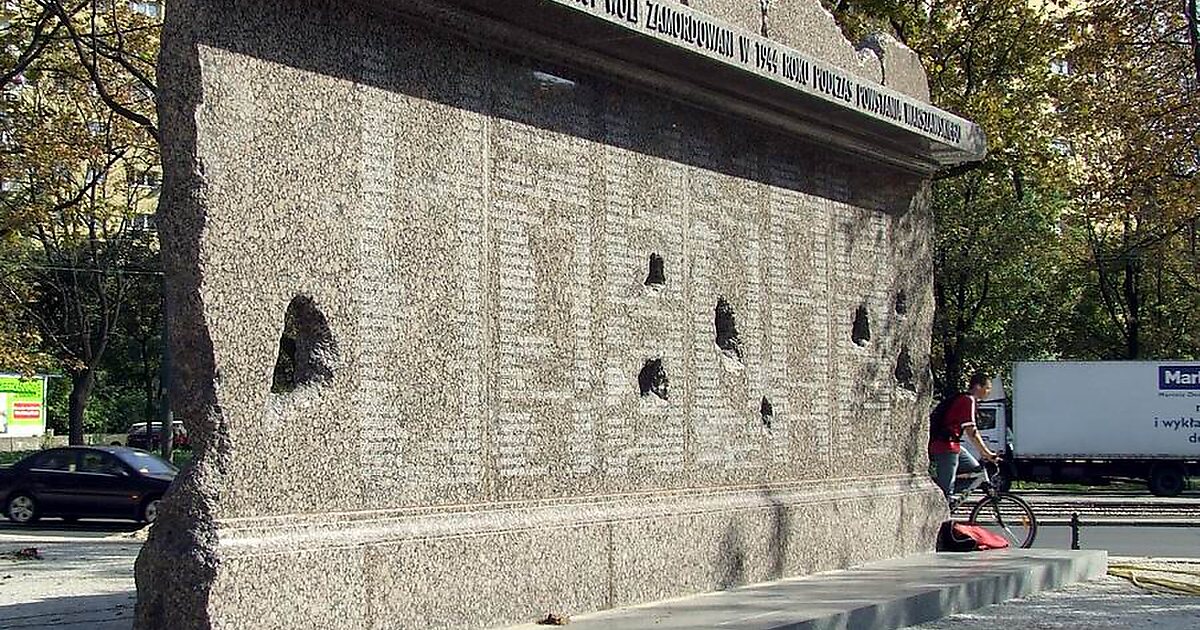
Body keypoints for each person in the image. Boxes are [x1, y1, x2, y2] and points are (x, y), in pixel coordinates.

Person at [929, 371, 999, 503]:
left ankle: (948, 493)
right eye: (988, 388)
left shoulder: (964, 398)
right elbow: (971, 431)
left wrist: (985, 453)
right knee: (945, 492)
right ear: (978, 387)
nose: (989, 391)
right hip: (945, 446)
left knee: (976, 471)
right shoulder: (968, 400)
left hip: (954, 445)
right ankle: (942, 506)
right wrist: (987, 453)